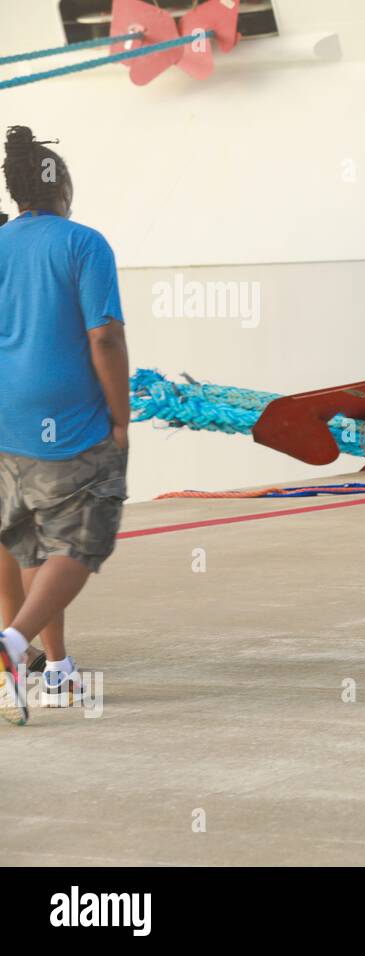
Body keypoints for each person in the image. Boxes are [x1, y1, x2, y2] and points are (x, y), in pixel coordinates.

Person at [0, 126, 130, 723]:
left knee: (18, 536)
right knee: (77, 540)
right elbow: (103, 335)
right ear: (64, 186)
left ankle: (49, 671)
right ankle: (17, 642)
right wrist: (120, 416)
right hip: (63, 421)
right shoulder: (84, 243)